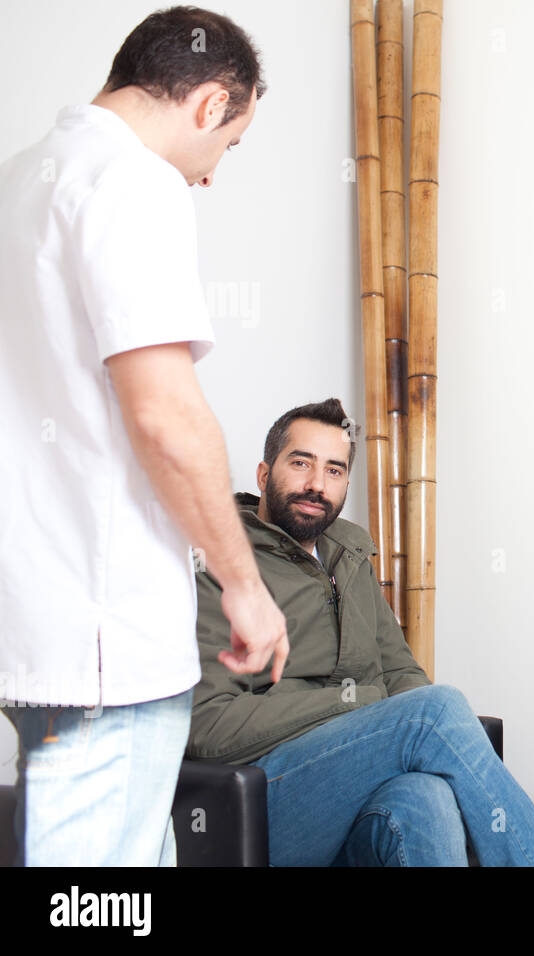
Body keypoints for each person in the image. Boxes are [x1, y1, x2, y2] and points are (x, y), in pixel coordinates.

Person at [0, 6, 287, 866]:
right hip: (105, 634)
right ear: (208, 105)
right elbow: (165, 413)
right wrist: (243, 584)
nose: (210, 177)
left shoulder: (20, 179)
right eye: (229, 145)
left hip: (32, 624)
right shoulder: (134, 181)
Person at [187, 399, 534, 866]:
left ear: (346, 483)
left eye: (334, 470)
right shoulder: (223, 566)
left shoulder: (348, 556)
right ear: (264, 475)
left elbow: (400, 672)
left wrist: (384, 717)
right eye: (301, 463)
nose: (316, 484)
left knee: (424, 797)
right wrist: (355, 704)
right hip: (266, 795)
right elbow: (206, 726)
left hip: (351, 790)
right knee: (436, 709)